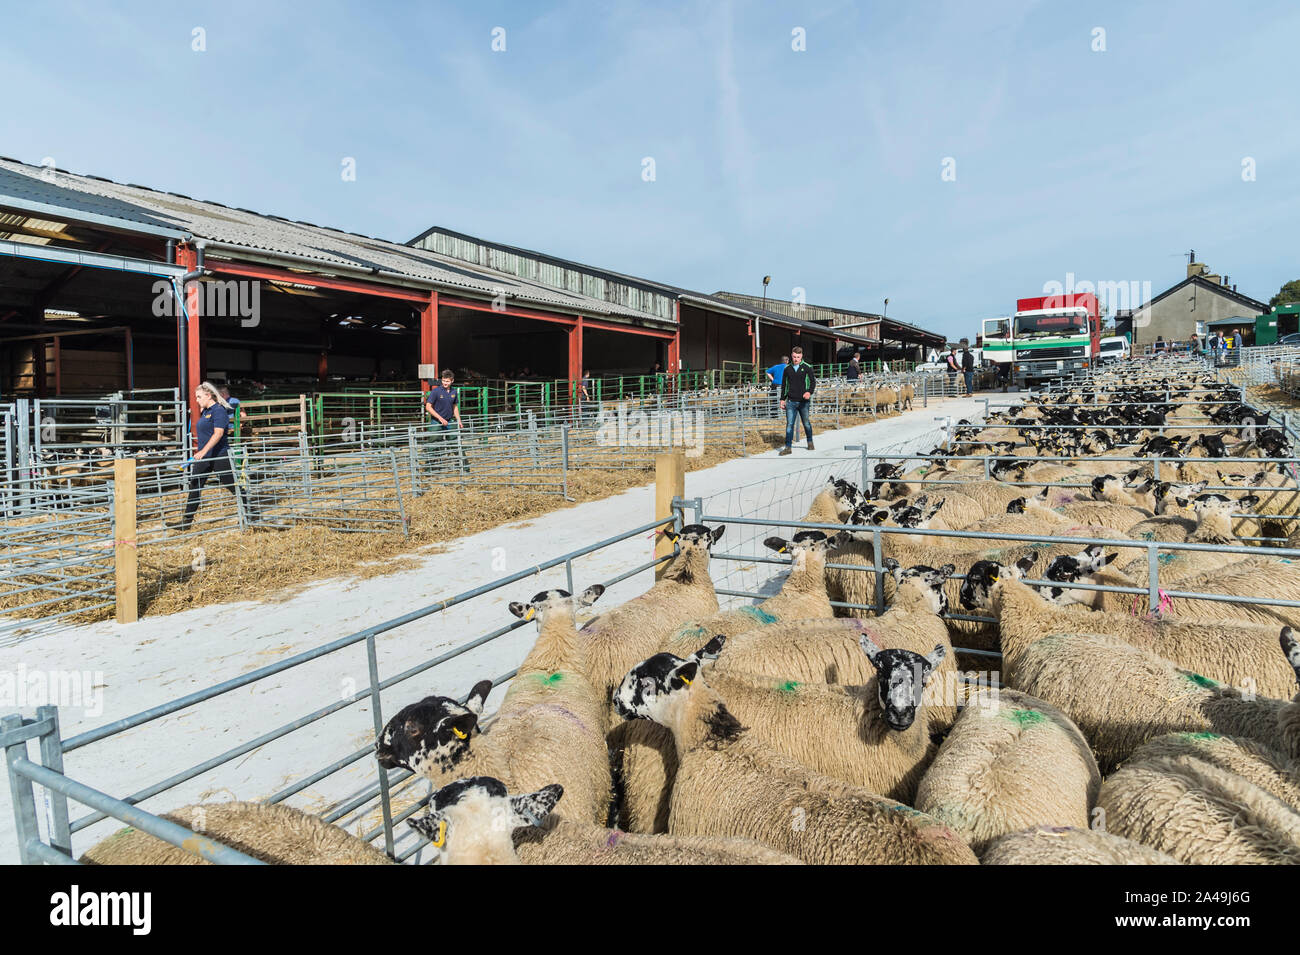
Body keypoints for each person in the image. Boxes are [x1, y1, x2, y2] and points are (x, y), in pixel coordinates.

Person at [169, 381, 255, 530]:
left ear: (209, 395)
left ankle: (251, 512)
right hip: (204, 457)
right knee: (195, 486)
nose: (196, 400)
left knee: (232, 486)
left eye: (199, 397)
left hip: (219, 456)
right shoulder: (206, 411)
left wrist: (202, 451)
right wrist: (202, 453)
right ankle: (186, 522)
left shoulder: (219, 411)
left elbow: (219, 433)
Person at [425, 369, 469, 471]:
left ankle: (465, 467)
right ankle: (428, 468)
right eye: (444, 380)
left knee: (455, 442)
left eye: (447, 381)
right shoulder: (435, 391)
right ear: (441, 380)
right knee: (433, 444)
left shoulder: (454, 391)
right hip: (436, 421)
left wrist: (459, 420)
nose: (445, 383)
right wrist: (440, 418)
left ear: (452, 381)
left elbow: (455, 407)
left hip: (449, 421)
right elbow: (428, 407)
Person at [778, 346, 816, 455]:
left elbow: (813, 382)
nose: (796, 359)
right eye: (794, 357)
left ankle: (810, 442)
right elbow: (784, 385)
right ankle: (788, 447)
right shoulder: (787, 369)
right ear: (791, 356)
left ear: (801, 356)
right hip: (791, 401)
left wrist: (809, 392)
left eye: (798, 357)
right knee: (789, 424)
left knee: (806, 423)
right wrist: (782, 399)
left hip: (804, 402)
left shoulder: (807, 367)